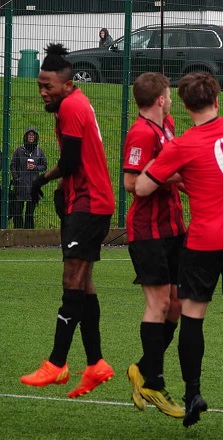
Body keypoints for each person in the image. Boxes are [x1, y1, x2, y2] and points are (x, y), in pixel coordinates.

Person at [135, 72, 223, 429]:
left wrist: (165, 167)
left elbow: (142, 187)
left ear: (185, 104)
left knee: (192, 316)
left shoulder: (183, 144)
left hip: (203, 241)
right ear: (217, 100)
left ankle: (194, 393)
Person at [20, 43, 116, 399]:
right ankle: (95, 364)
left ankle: (58, 362)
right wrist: (60, 189)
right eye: (40, 86)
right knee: (84, 282)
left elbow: (73, 162)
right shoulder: (73, 103)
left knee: (72, 278)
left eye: (48, 86)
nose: (43, 92)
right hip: (86, 200)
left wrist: (43, 180)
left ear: (66, 83)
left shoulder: (71, 108)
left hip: (90, 203)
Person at [122, 72, 185, 418]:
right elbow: (132, 181)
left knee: (177, 305)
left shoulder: (167, 125)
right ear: (160, 98)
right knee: (159, 303)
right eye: (169, 94)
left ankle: (143, 369)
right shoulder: (140, 132)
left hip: (174, 227)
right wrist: (170, 174)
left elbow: (172, 169)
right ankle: (154, 383)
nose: (171, 99)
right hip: (148, 231)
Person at [9, 127, 47, 229]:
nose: (31, 136)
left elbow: (44, 166)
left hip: (33, 186)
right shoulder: (19, 151)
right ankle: (18, 233)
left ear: (36, 137)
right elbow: (13, 165)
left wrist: (35, 167)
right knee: (17, 212)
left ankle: (29, 236)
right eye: (29, 135)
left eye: (33, 135)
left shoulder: (39, 151)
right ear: (26, 137)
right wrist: (16, 178)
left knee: (29, 213)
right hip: (20, 186)